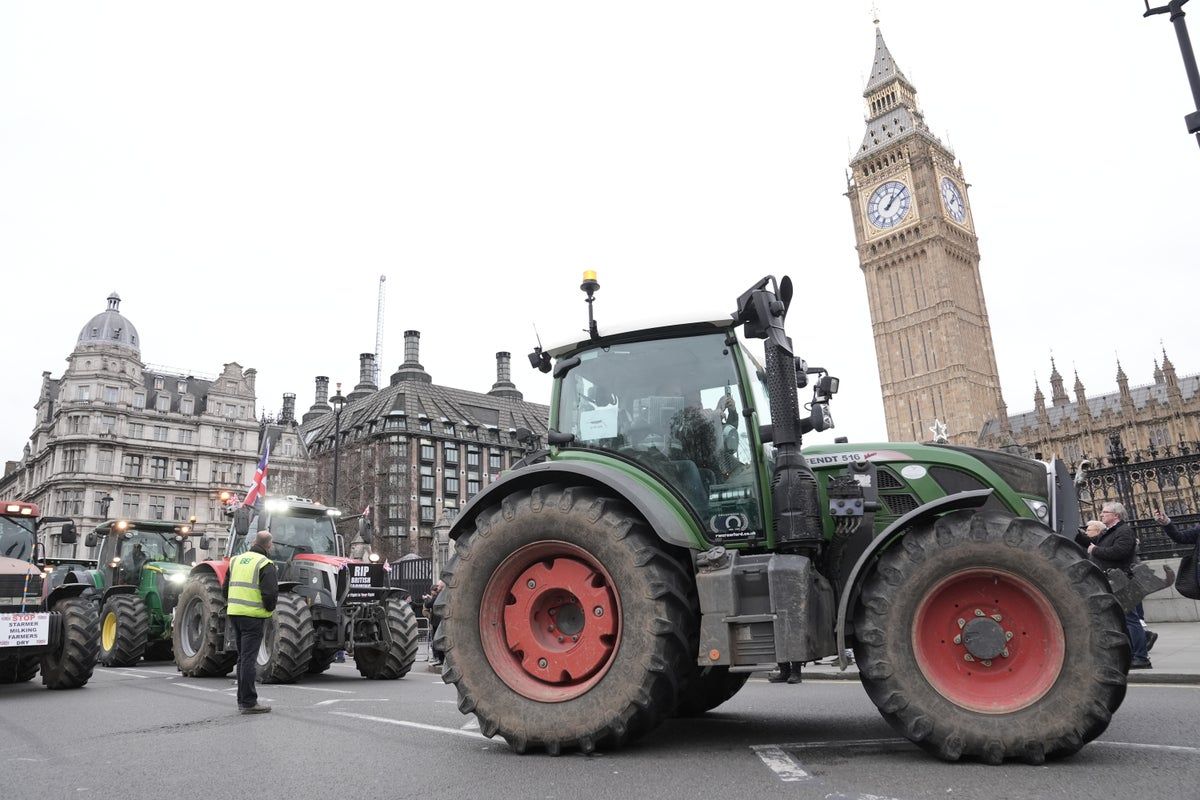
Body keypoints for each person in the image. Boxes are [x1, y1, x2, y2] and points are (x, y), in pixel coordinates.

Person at [1078, 503, 1151, 669]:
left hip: (1120, 579)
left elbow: (1119, 552)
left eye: (1105, 512)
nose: (1102, 514)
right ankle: (1132, 654)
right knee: (1122, 619)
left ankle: (1141, 656)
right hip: (1110, 579)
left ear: (1116, 515)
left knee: (1130, 619)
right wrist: (1076, 533)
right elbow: (1090, 541)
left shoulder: (1124, 531)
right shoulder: (1110, 531)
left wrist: (1095, 550)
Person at [227, 531, 278, 713]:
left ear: (254, 541)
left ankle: (242, 700)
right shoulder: (265, 563)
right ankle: (249, 702)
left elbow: (226, 586)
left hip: (235, 613)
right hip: (253, 616)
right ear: (269, 545)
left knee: (242, 658)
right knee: (249, 659)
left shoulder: (236, 560)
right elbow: (270, 593)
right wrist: (269, 609)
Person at [425, 580, 445, 666]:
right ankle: (440, 658)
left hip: (437, 622)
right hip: (439, 621)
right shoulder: (440, 595)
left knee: (437, 640)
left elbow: (428, 605)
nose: (437, 587)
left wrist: (428, 599)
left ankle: (440, 659)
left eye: (438, 586)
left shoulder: (439, 596)